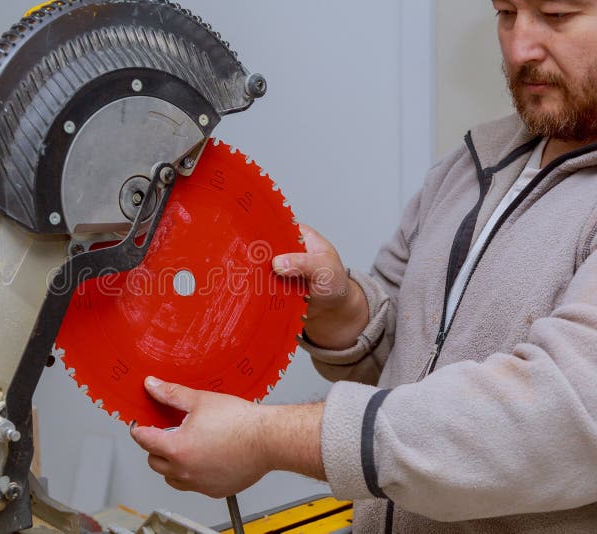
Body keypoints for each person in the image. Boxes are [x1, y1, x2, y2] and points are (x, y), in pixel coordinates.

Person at [131, 0, 597, 531]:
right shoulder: (474, 162)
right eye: (506, 13)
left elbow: (554, 419)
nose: (519, 49)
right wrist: (343, 308)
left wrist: (266, 439)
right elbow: (409, 361)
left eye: (557, 15)